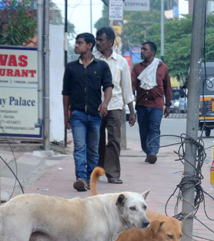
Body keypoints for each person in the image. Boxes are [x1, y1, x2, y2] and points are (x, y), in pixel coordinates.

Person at [62, 33, 113, 192]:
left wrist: (105, 103)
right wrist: (66, 115)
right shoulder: (71, 67)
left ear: (89, 46)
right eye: (76, 43)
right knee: (79, 147)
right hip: (77, 114)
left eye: (79, 43)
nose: (76, 46)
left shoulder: (101, 66)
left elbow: (108, 87)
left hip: (95, 114)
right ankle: (81, 178)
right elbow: (66, 93)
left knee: (93, 148)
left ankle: (91, 178)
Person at [94, 27, 136, 184]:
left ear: (110, 42)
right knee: (97, 140)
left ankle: (113, 173)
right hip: (96, 106)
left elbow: (127, 87)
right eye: (97, 39)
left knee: (114, 140)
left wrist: (131, 112)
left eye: (101, 40)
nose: (97, 43)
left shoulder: (121, 62)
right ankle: (97, 168)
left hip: (116, 106)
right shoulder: (93, 59)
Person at [132, 41, 171, 164]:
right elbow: (132, 85)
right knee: (143, 129)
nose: (142, 51)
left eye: (145, 49)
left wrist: (168, 105)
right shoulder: (137, 68)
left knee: (154, 128)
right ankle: (148, 151)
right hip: (142, 104)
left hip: (157, 105)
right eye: (141, 49)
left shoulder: (162, 67)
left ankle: (153, 152)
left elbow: (168, 87)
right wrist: (129, 99)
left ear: (152, 52)